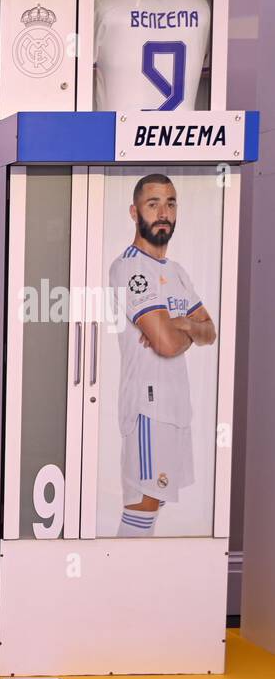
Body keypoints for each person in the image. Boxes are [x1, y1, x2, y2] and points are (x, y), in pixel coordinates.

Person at [108, 173, 215, 536]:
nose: (163, 212)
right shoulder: (131, 268)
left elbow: (209, 331)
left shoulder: (177, 271)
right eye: (153, 204)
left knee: (155, 508)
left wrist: (180, 322)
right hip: (147, 410)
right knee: (143, 507)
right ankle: (118, 587)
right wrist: (185, 330)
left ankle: (133, 587)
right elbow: (166, 345)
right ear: (134, 212)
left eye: (170, 203)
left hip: (175, 408)